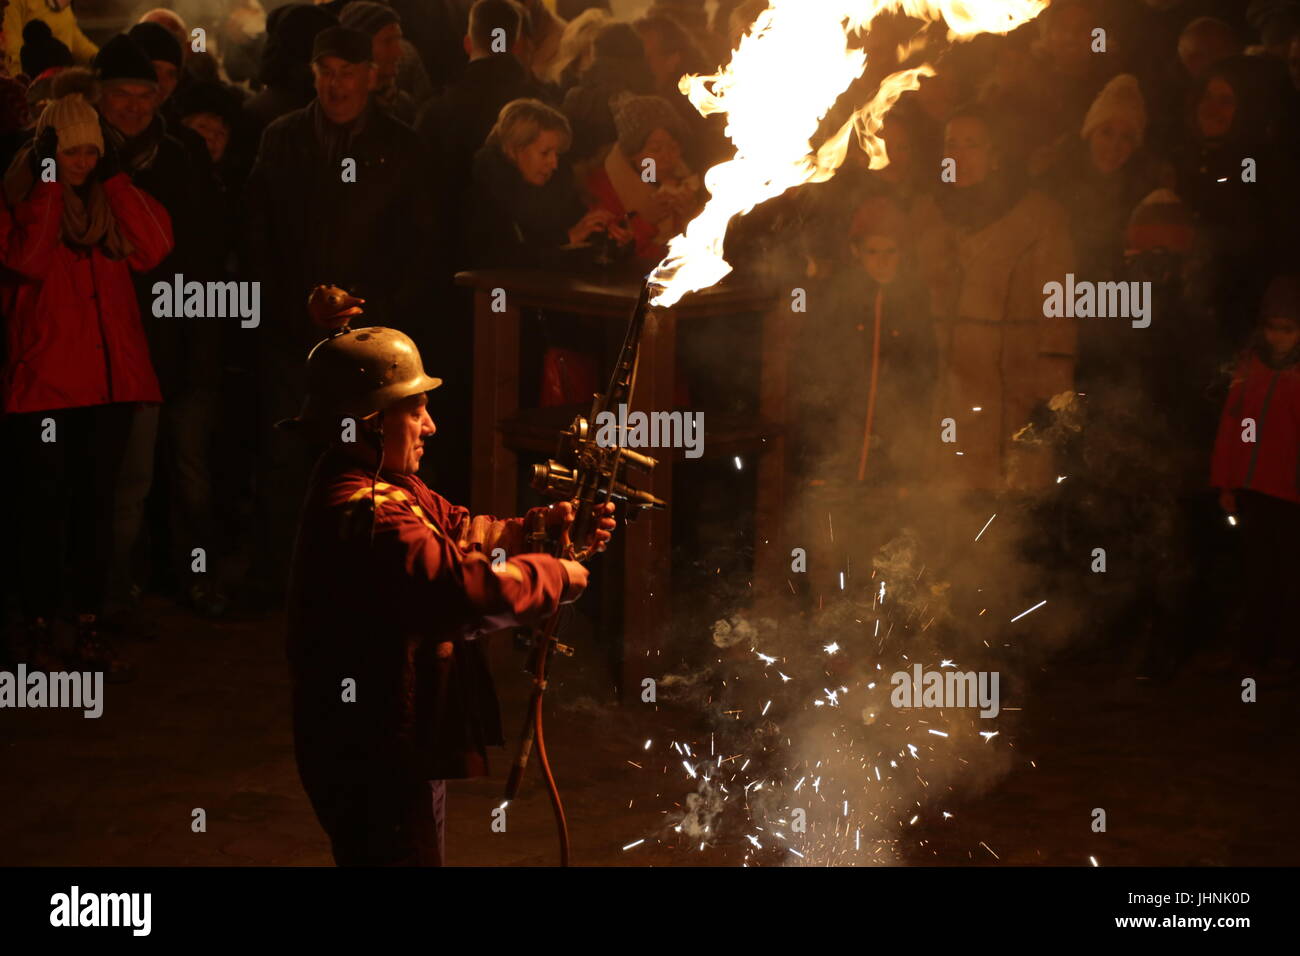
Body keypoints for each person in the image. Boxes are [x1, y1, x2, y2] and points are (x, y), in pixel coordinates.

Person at [283, 309, 615, 865]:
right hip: (373, 751)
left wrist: (543, 528)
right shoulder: (368, 512)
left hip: (395, 740)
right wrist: (554, 576)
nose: (430, 425)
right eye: (415, 410)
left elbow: (463, 532)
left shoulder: (386, 484)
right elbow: (459, 590)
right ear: (368, 422)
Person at [242, 24, 436, 607]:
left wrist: (364, 303)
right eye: (325, 71)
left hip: (375, 351)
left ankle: (362, 584)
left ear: (371, 77)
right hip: (292, 337)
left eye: (347, 71)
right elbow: (257, 235)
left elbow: (420, 247)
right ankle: (280, 581)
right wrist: (295, 305)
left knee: (370, 463)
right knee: (284, 461)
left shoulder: (402, 147)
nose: (336, 84)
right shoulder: (283, 139)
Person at [0, 91, 174, 677]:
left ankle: (89, 622)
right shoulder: (21, 196)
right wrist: (49, 183)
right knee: (41, 512)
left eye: (90, 152)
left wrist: (117, 177)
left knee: (96, 512)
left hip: (108, 387)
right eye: (69, 152)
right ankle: (41, 624)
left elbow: (155, 245)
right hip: (45, 384)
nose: (81, 162)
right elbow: (27, 259)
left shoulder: (109, 200)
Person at [911, 106, 1077, 493]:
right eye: (952, 144)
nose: (959, 155)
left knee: (1008, 515)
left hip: (1011, 398)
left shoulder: (1039, 219)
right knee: (947, 514)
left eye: (973, 145)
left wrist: (1051, 398)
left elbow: (1060, 314)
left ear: (996, 154)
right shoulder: (928, 215)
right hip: (947, 398)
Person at [1211, 276, 1300, 673]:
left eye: (1288, 329)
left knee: (1290, 576)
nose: (1278, 336)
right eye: (1272, 327)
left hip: (1292, 492)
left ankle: (1287, 655)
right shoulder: (1250, 366)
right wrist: (1226, 482)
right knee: (1257, 574)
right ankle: (1252, 655)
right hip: (1255, 489)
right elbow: (1233, 424)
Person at [464, 96, 626, 269]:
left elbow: (581, 232)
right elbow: (499, 259)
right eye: (545, 153)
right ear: (514, 149)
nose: (554, 163)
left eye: (556, 154)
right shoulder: (486, 192)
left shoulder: (557, 187)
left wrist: (611, 237)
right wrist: (567, 238)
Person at [582, 92, 702, 262]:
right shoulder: (602, 187)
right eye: (655, 149)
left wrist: (690, 218)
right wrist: (644, 220)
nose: (666, 157)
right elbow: (608, 253)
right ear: (632, 153)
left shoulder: (684, 182)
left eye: (674, 147)